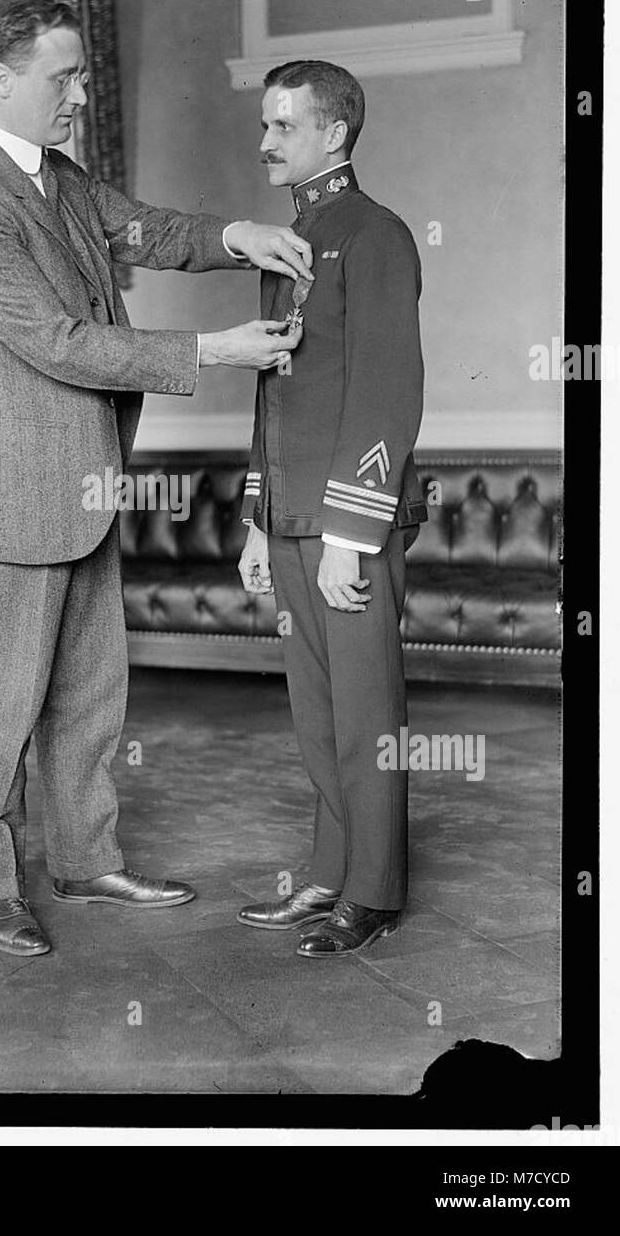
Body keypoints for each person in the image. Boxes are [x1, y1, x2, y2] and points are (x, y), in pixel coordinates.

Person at [0, 0, 312, 958]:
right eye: (65, 77)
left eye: (83, 75)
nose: (81, 96)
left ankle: (85, 860)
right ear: (3, 81)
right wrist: (211, 352)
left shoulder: (54, 177)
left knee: (92, 696)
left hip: (86, 483)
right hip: (9, 496)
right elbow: (57, 343)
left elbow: (144, 230)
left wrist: (236, 238)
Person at [236, 59, 427, 958]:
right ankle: (329, 868)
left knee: (363, 709)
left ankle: (375, 890)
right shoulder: (289, 243)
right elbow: (272, 396)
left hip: (345, 525)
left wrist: (349, 535)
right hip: (287, 520)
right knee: (315, 711)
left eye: (282, 126)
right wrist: (252, 517)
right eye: (266, 125)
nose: (265, 142)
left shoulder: (375, 234)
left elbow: (388, 391)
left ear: (332, 133)